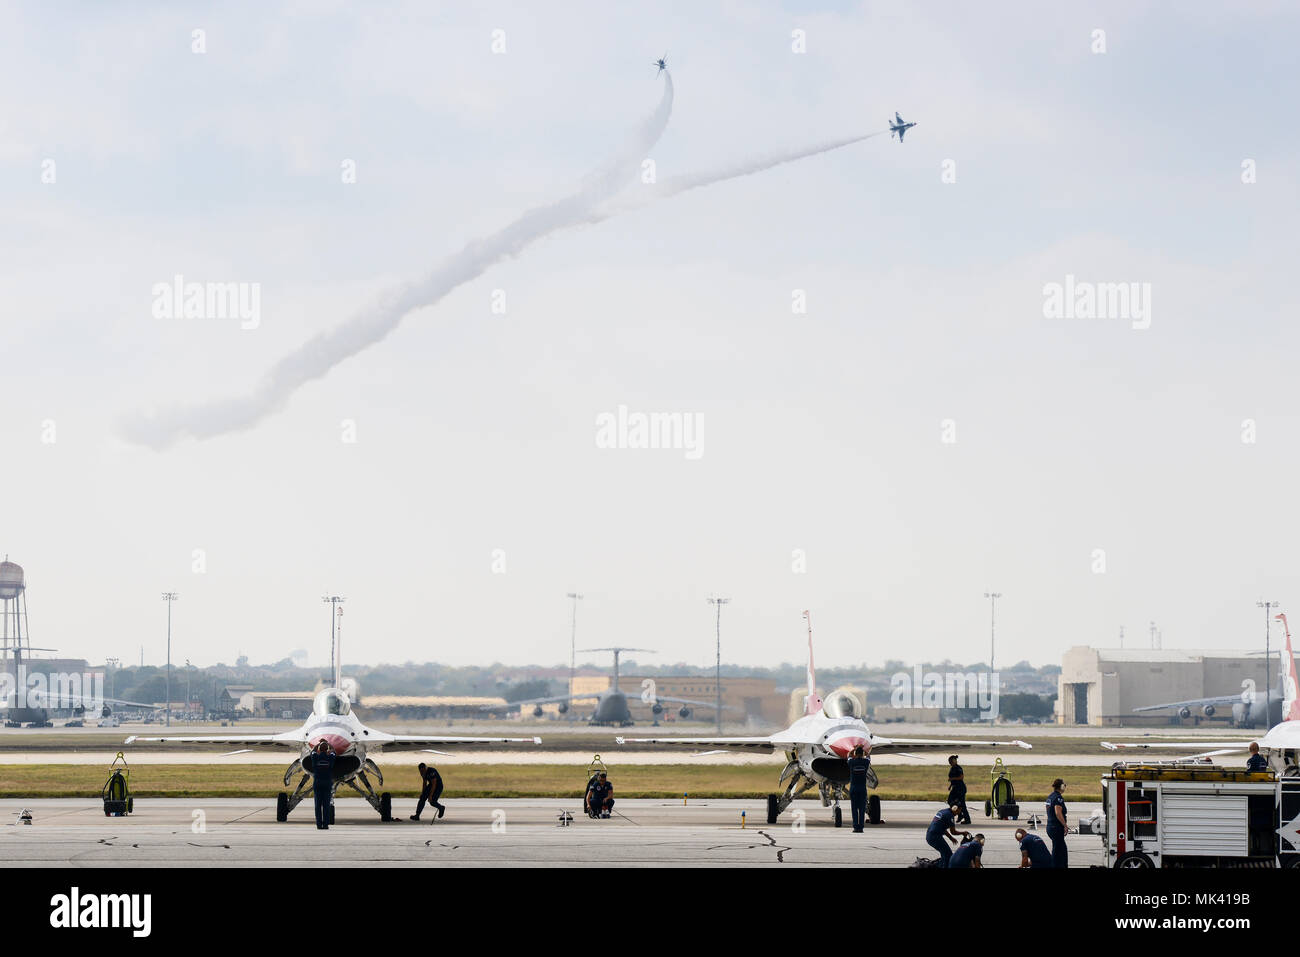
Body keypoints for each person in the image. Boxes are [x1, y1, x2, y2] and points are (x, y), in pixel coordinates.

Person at [311, 741, 336, 830]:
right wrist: (328, 743)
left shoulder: (315, 757)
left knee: (318, 805)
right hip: (327, 784)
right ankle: (325, 825)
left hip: (317, 784)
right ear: (327, 750)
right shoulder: (330, 758)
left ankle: (319, 825)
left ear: (319, 750)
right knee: (326, 806)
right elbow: (334, 751)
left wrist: (319, 744)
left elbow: (312, 751)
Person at [847, 745, 872, 832]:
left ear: (855, 754)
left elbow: (849, 755)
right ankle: (861, 828)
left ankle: (855, 827)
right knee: (861, 809)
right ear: (862, 754)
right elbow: (868, 756)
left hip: (853, 788)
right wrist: (865, 750)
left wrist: (853, 748)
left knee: (854, 809)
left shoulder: (851, 762)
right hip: (862, 789)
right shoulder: (865, 762)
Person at [1046, 778, 1069, 868]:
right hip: (1056, 827)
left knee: (1060, 849)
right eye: (1064, 785)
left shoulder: (1050, 796)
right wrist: (1065, 825)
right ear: (1061, 786)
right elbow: (1057, 812)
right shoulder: (1058, 798)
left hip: (1050, 827)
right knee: (1059, 850)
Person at [947, 754, 970, 824]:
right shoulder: (952, 768)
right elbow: (953, 779)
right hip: (955, 788)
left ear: (955, 761)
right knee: (950, 801)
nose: (950, 763)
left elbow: (961, 777)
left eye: (951, 761)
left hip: (960, 788)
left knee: (962, 804)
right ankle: (960, 814)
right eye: (949, 761)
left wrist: (952, 779)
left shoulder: (958, 768)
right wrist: (950, 786)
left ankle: (967, 819)